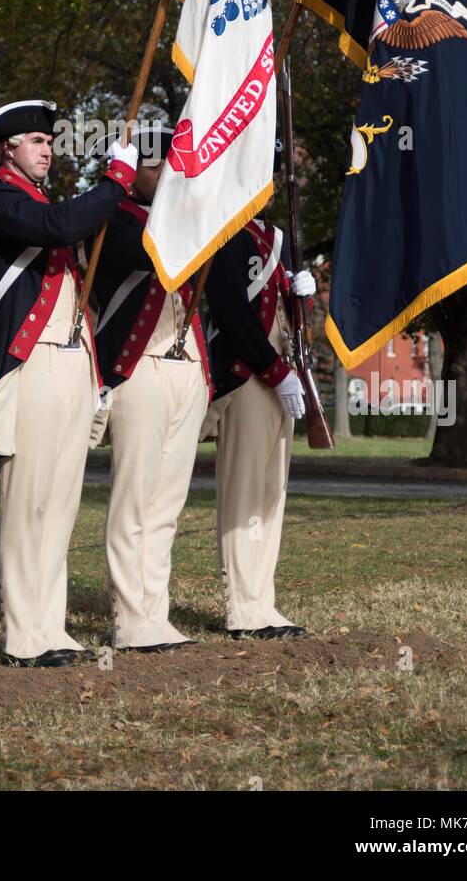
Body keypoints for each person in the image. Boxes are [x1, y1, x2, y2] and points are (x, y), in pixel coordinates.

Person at [0, 100, 137, 667]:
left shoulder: (38, 196)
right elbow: (59, 227)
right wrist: (115, 180)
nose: (47, 149)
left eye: (49, 140)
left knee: (62, 502)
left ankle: (51, 625)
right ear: (5, 150)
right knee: (30, 502)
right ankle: (23, 632)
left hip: (70, 361)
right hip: (33, 362)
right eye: (35, 141)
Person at [91, 124, 211, 653]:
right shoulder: (113, 219)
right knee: (135, 499)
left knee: (167, 502)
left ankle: (154, 612)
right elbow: (144, 258)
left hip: (186, 365)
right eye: (156, 165)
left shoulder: (178, 221)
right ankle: (129, 616)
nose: (166, 175)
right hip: (138, 368)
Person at [205, 199, 316, 640]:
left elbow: (283, 311)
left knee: (272, 492)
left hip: (282, 367)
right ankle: (244, 609)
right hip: (250, 372)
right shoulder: (225, 231)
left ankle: (262, 601)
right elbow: (231, 312)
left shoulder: (276, 238)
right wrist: (274, 371)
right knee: (245, 492)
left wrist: (299, 294)